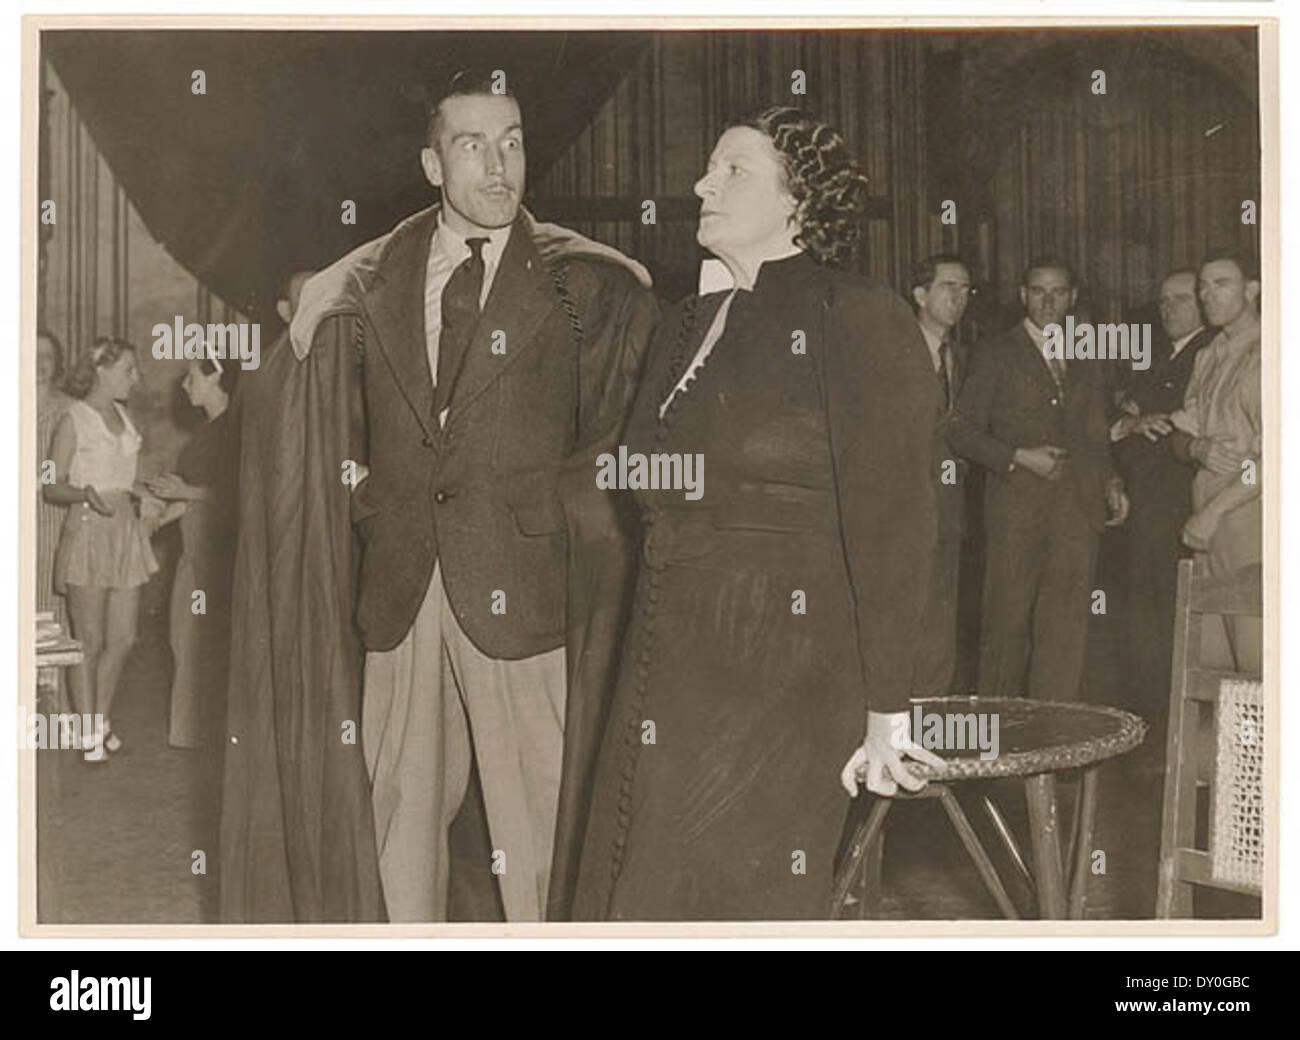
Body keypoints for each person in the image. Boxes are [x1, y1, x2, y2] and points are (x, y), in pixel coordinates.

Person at [220, 69, 657, 923]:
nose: (500, 167)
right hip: (403, 584)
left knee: (539, 829)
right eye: (472, 145)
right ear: (431, 164)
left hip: (524, 591)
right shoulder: (374, 278)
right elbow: (310, 414)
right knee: (397, 824)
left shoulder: (591, 281)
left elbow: (622, 433)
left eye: (514, 142)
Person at [572, 106, 941, 921]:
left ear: (798, 201)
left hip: (791, 673)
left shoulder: (860, 317)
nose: (703, 183)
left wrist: (888, 711)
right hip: (670, 657)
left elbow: (896, 527)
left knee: (736, 903)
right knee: (638, 893)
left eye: (733, 169)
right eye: (709, 168)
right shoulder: (686, 320)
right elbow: (639, 472)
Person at [949, 260, 1128, 702]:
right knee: (1005, 627)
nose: (1049, 301)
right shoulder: (994, 352)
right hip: (1016, 511)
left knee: (1065, 632)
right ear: (1023, 296)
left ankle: (1054, 745)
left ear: (1072, 298)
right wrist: (1018, 457)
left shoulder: (1086, 354)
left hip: (1077, 510)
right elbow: (959, 429)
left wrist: (1111, 483)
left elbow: (1094, 433)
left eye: (1058, 292)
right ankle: (997, 752)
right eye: (1039, 291)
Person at [44, 336, 159, 759]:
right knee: (88, 641)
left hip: (125, 534)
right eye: (129, 369)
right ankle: (88, 730)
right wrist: (83, 495)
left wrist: (144, 493)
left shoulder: (125, 419)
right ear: (102, 371)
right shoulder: (73, 419)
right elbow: (50, 483)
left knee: (124, 637)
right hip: (89, 531)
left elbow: (129, 478)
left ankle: (99, 718)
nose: (137, 377)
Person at [1110, 270, 1216, 718]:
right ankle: (1151, 721)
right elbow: (1123, 407)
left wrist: (1144, 411)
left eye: (1180, 299)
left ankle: (1169, 725)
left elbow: (1184, 419)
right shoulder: (1153, 354)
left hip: (1176, 505)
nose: (1168, 308)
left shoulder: (1208, 352)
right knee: (1144, 616)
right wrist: (1128, 412)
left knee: (1166, 616)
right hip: (1140, 503)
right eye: (1163, 300)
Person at [1169, 250, 1262, 672]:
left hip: (1246, 519)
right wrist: (1196, 447)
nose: (1208, 294)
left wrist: (1213, 512)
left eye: (1221, 283)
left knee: (1256, 660)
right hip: (1206, 520)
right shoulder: (1209, 355)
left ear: (1252, 289)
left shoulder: (1272, 353)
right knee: (1211, 665)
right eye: (1203, 286)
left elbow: (1275, 458)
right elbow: (1183, 431)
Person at [145, 355, 239, 749]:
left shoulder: (240, 430)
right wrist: (153, 518)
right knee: (184, 636)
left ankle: (216, 736)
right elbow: (192, 497)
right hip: (193, 548)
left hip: (220, 553)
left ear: (217, 377)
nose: (185, 385)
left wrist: (183, 493)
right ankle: (192, 734)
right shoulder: (205, 433)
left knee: (211, 641)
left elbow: (240, 494)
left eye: (192, 377)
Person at [909, 254, 972, 699]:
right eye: (949, 287)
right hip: (904, 508)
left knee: (941, 618)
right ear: (920, 294)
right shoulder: (892, 352)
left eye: (966, 289)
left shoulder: (964, 357)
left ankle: (931, 719)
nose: (959, 298)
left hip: (950, 511)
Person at [37, 331, 72, 634]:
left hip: (53, 519)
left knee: (51, 616)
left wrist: (40, 480)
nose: (38, 363)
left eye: (46, 356)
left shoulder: (68, 411)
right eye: (32, 353)